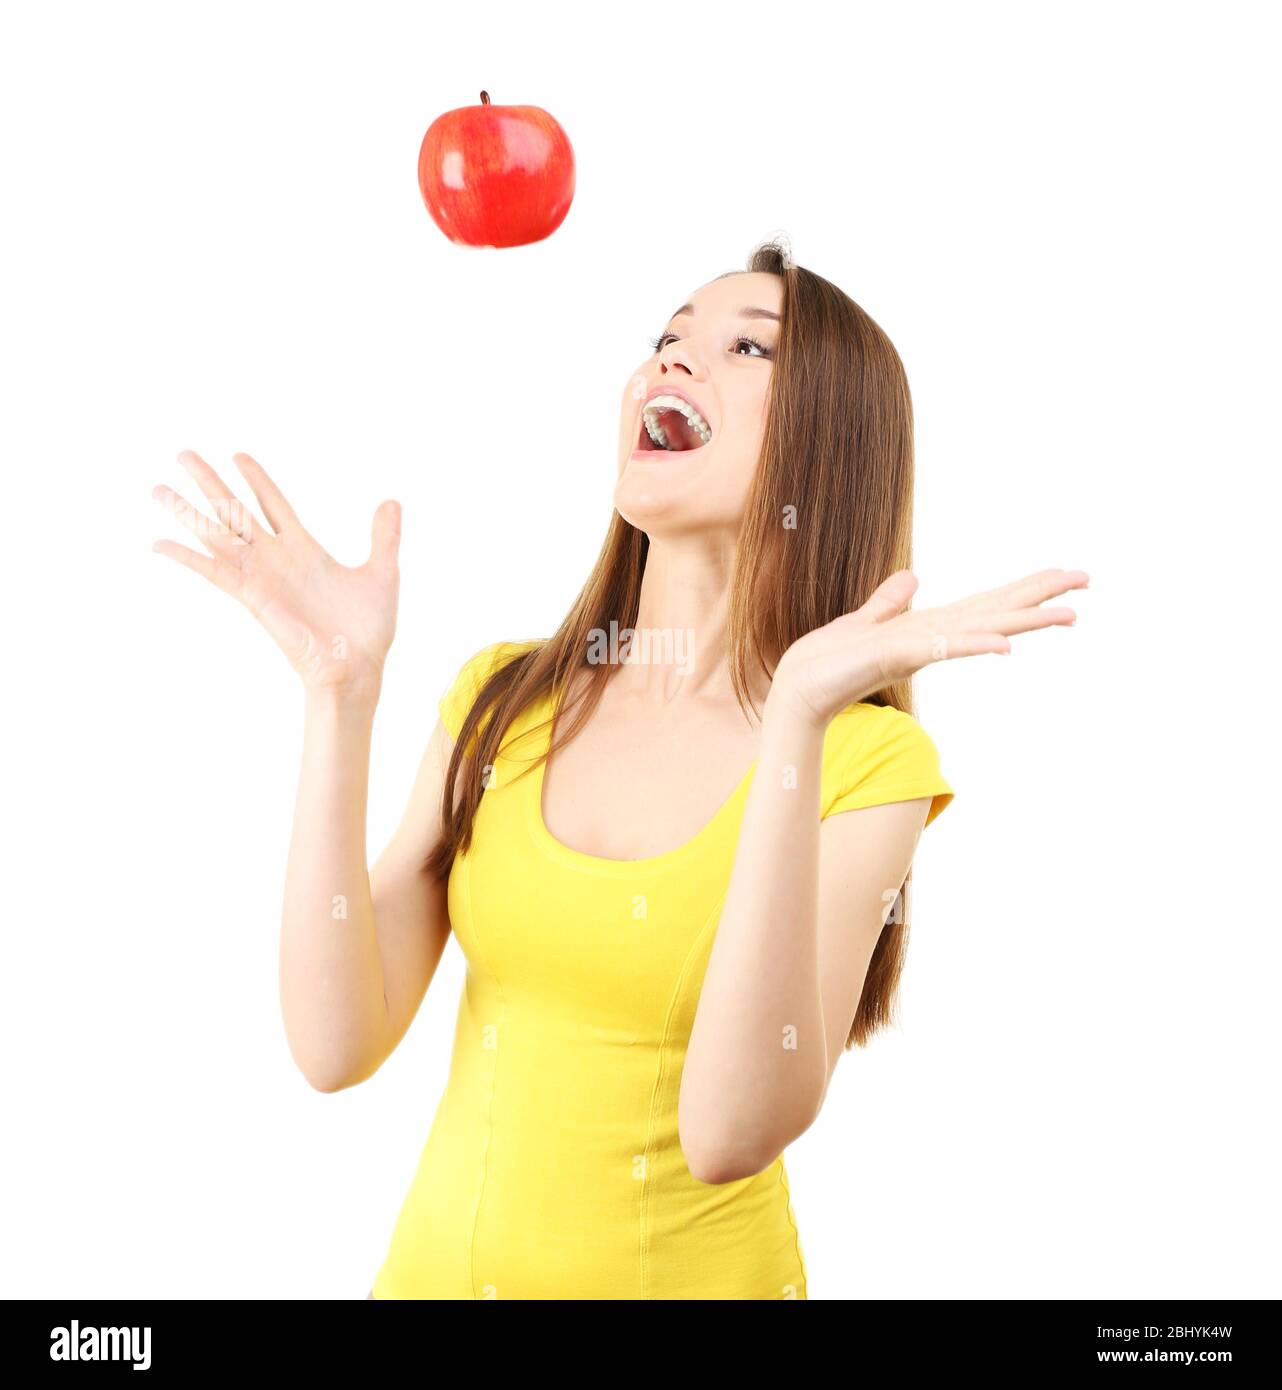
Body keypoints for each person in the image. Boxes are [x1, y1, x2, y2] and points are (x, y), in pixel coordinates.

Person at [152, 237, 1086, 1299]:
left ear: (832, 445)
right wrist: (338, 695)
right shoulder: (502, 703)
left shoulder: (866, 762)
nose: (674, 361)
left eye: (747, 347)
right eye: (668, 337)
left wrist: (792, 719)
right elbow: (334, 1042)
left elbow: (731, 1129)